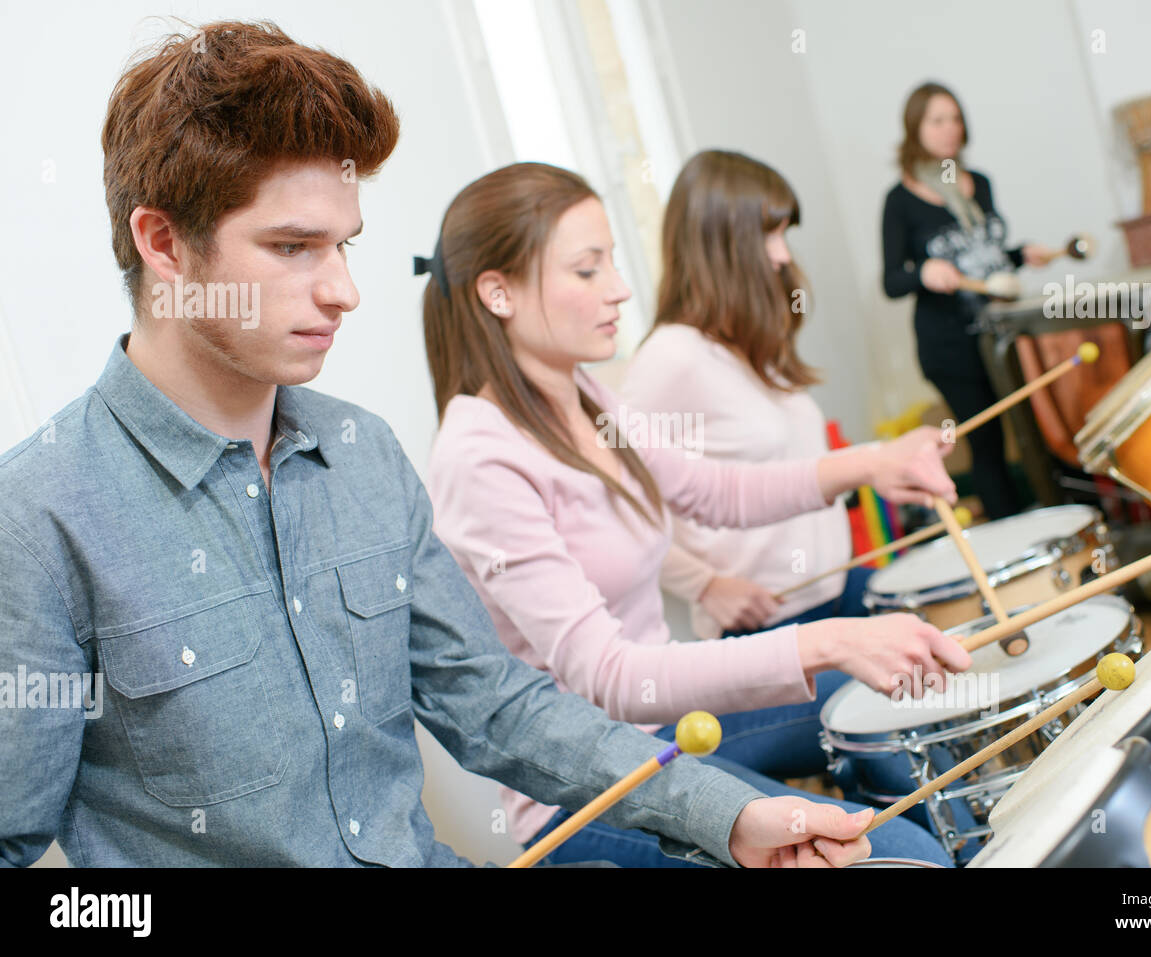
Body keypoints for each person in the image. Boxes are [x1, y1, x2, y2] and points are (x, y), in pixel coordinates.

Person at [0, 19, 887, 869]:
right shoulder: (40, 515)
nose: (345, 289)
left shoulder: (362, 452)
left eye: (343, 244)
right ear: (163, 244)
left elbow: (494, 706)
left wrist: (725, 815)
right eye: (293, 247)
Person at [421, 160, 974, 867]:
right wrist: (824, 641)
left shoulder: (585, 393)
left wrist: (870, 463)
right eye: (588, 270)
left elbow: (716, 492)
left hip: (669, 725)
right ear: (497, 292)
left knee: (910, 723)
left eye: (612, 263)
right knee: (888, 851)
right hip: (580, 787)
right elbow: (609, 674)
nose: (620, 289)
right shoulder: (479, 456)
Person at [622, 148, 873, 641]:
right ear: (722, 244)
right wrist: (705, 585)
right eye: (770, 235)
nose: (783, 256)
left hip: (836, 591)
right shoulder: (671, 357)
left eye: (785, 235)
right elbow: (611, 502)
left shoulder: (745, 344)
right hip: (769, 629)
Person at [881, 82, 1054, 520]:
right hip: (950, 346)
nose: (949, 129)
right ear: (915, 129)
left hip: (999, 334)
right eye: (937, 120)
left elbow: (985, 263)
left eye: (955, 118)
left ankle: (1057, 519)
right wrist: (923, 272)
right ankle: (1012, 539)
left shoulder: (982, 185)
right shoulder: (900, 201)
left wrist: (1018, 255)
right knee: (988, 443)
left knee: (1036, 428)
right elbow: (892, 280)